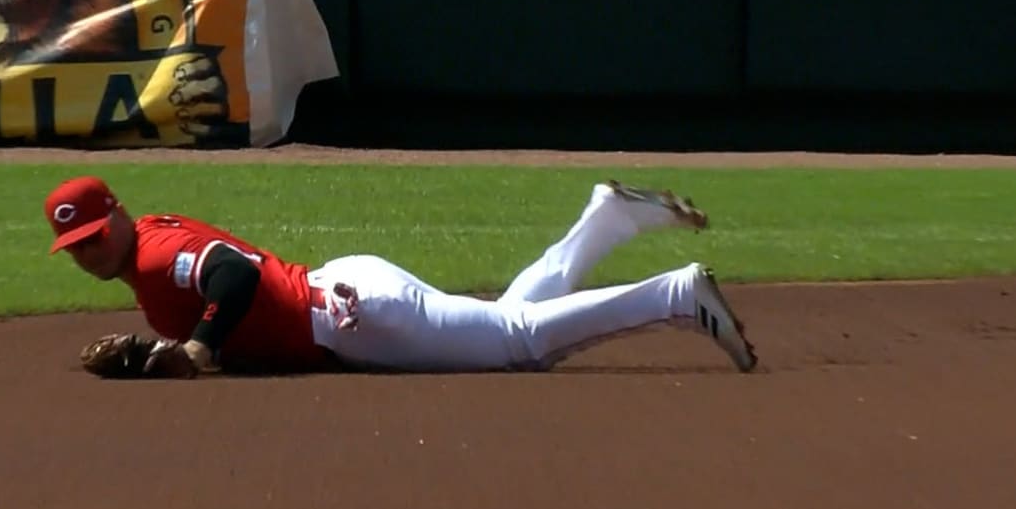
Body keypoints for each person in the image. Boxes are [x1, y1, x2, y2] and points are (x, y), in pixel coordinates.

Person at [47, 176, 758, 376]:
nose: (89, 253)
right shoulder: (153, 239)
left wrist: (198, 347)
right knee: (506, 320)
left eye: (94, 236)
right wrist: (160, 358)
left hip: (354, 318)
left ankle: (673, 295)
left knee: (518, 342)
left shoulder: (150, 256)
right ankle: (607, 219)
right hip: (349, 292)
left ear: (118, 216)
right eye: (76, 247)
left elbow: (231, 276)